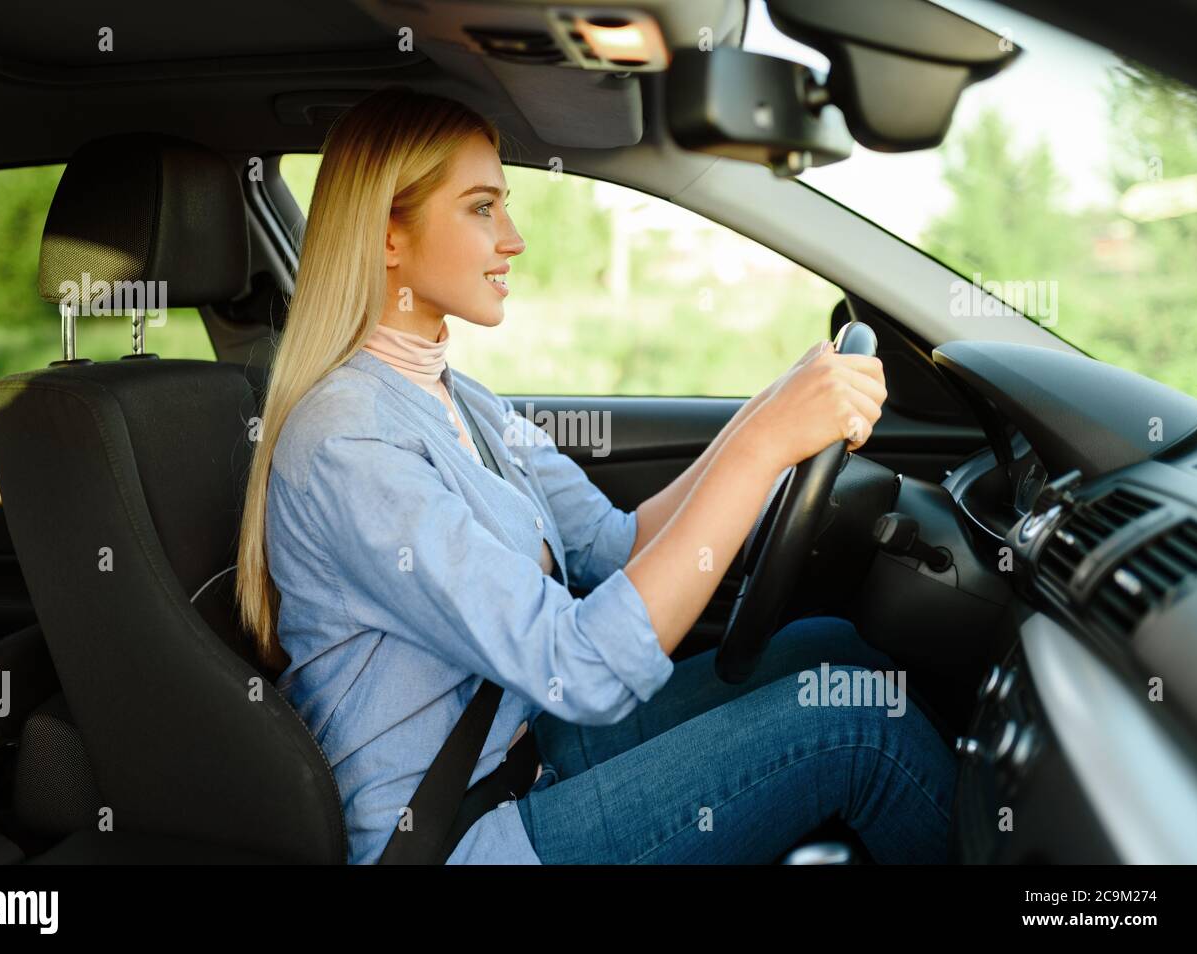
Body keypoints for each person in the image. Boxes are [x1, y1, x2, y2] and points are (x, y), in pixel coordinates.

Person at [235, 86, 955, 864]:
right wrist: (761, 450)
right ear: (388, 238)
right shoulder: (348, 442)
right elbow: (580, 667)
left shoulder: (457, 397)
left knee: (828, 652)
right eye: (482, 209)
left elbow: (615, 547)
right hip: (455, 835)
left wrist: (764, 417)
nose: (513, 238)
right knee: (861, 734)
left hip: (522, 757)